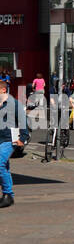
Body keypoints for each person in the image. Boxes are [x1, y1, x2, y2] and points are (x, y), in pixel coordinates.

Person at [0, 80, 29, 208]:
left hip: (9, 140)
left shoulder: (14, 104)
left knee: (0, 164)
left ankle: (8, 194)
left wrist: (23, 137)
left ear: (3, 90)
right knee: (4, 166)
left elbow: (23, 120)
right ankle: (8, 196)